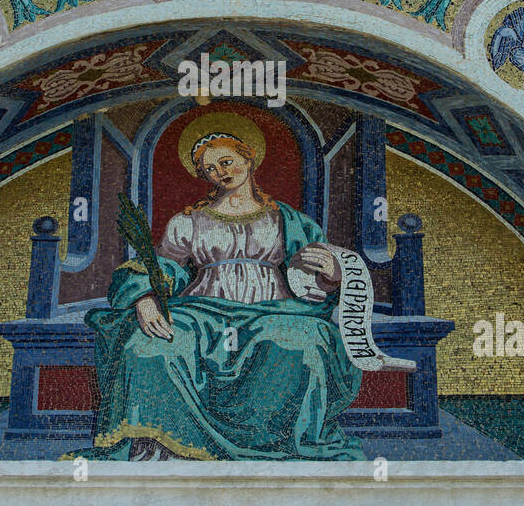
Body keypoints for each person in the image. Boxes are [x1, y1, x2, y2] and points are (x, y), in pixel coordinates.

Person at [80, 112, 364, 461]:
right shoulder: (188, 221)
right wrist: (144, 296)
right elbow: (163, 267)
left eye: (227, 161)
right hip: (202, 310)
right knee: (146, 345)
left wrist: (333, 273)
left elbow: (312, 277)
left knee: (304, 342)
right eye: (210, 169)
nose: (221, 172)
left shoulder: (288, 220)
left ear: (248, 158)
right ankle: (158, 445)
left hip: (274, 309)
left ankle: (285, 443)